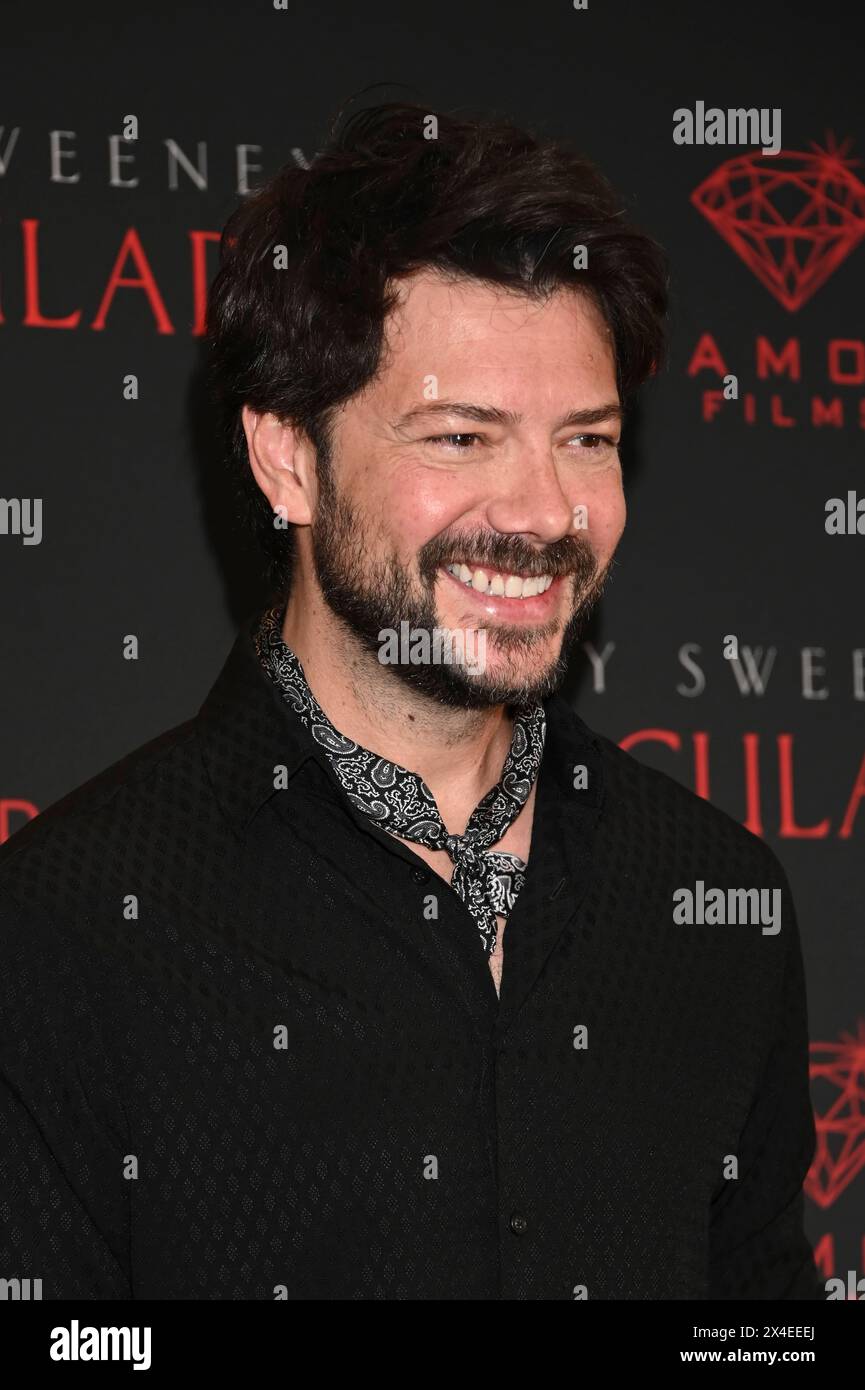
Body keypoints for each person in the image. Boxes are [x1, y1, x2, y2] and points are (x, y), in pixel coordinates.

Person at [0, 101, 821, 1299]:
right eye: (460, 437)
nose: (542, 512)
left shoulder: (711, 896)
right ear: (288, 456)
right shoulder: (72, 926)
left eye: (586, 440)